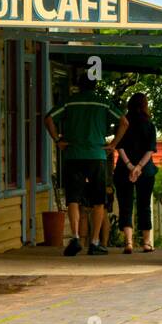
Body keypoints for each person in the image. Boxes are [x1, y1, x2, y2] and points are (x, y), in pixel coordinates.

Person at [45, 74, 128, 256]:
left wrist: (57, 139)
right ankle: (95, 242)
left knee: (73, 198)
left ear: (78, 85)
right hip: (97, 155)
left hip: (73, 155)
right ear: (95, 85)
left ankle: (75, 237)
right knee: (99, 200)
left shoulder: (70, 102)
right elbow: (124, 122)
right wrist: (113, 144)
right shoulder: (103, 103)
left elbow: (49, 118)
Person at [110, 92, 158, 253]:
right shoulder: (150, 125)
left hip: (124, 170)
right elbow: (150, 150)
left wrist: (130, 166)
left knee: (125, 205)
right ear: (145, 106)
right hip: (146, 170)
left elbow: (119, 146)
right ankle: (146, 243)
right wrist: (139, 167)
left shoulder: (123, 123)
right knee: (144, 205)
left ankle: (128, 243)